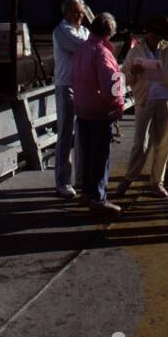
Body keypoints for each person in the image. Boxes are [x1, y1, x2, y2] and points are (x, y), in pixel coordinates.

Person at [116, 15, 168, 198]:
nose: (156, 37)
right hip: (144, 98)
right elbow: (125, 75)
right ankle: (129, 177)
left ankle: (157, 181)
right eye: (154, 33)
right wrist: (133, 71)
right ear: (147, 32)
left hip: (165, 98)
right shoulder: (136, 51)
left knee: (164, 141)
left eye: (160, 34)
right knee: (141, 142)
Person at [72, 12, 126, 216]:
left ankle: (86, 192)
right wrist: (118, 104)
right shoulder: (102, 53)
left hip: (83, 108)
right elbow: (110, 83)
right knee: (101, 156)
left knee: (87, 154)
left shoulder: (82, 48)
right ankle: (98, 198)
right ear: (109, 31)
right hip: (99, 111)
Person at [52, 0, 90, 198]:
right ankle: (62, 181)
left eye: (82, 12)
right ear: (66, 13)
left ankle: (81, 178)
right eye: (76, 12)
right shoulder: (61, 31)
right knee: (65, 134)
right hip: (66, 85)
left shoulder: (84, 31)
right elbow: (86, 49)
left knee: (82, 134)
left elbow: (90, 47)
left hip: (83, 87)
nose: (80, 15)